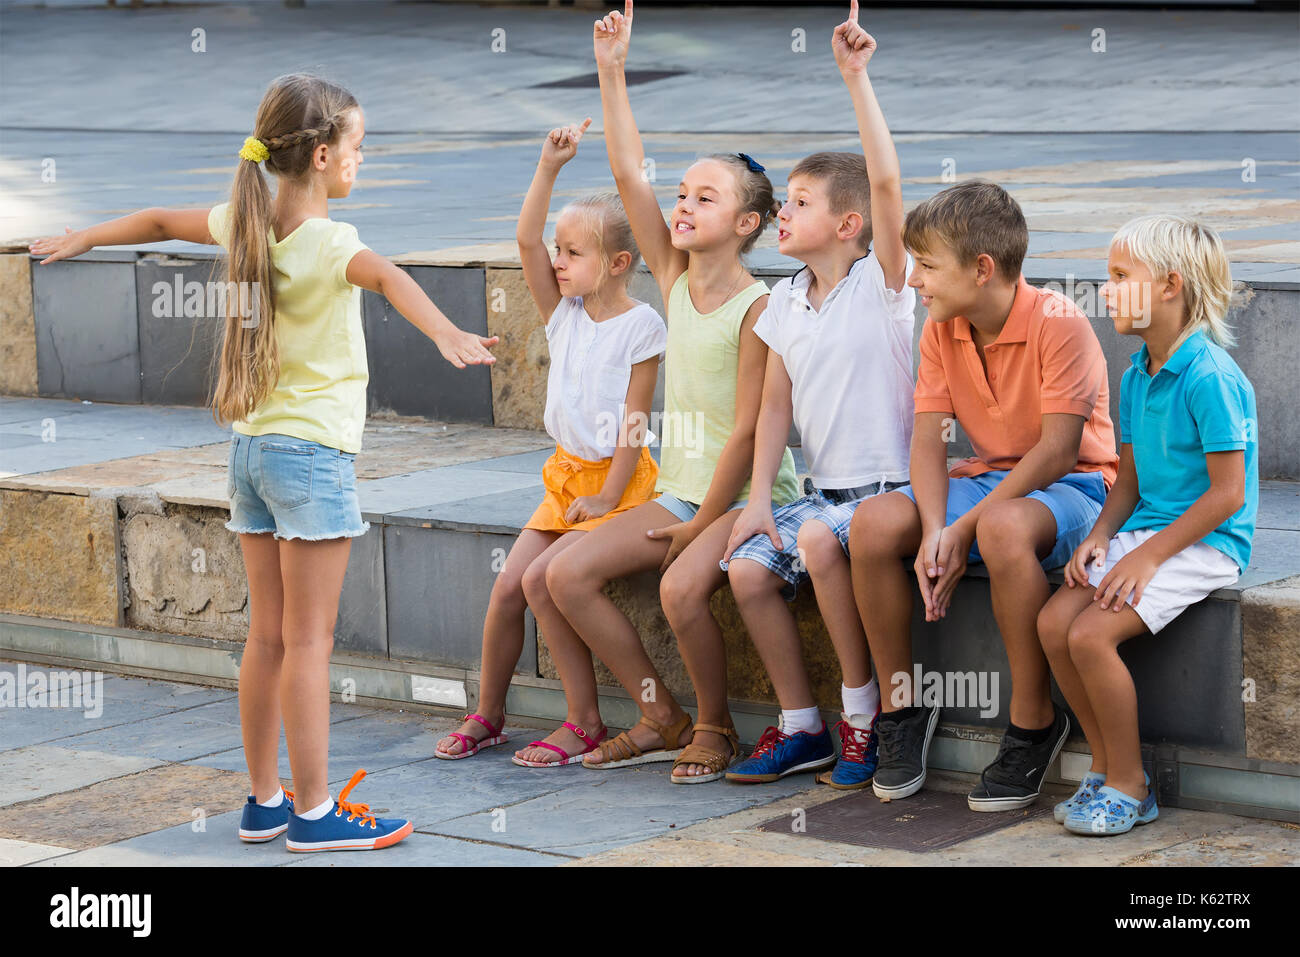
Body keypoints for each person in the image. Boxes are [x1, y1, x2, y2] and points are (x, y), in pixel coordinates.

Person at [31, 73, 497, 851]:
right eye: (357, 148)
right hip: (310, 455)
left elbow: (154, 218)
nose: (361, 162)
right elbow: (388, 275)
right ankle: (315, 814)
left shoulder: (243, 220)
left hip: (250, 453)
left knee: (269, 638)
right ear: (321, 155)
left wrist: (84, 236)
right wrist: (445, 331)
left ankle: (265, 799)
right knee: (311, 643)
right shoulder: (329, 241)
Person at [527, 0, 801, 780]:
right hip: (679, 488)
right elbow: (625, 172)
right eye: (682, 193)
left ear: (749, 224)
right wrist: (611, 71)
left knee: (683, 586)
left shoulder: (757, 307)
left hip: (745, 491)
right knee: (563, 572)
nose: (682, 205)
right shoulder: (674, 279)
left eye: (705, 198)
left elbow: (750, 434)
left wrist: (703, 521)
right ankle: (660, 712)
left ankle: (713, 727)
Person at [847, 179, 1118, 810]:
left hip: (1074, 486)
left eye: (929, 266)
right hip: (993, 478)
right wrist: (937, 526)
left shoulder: (1060, 322)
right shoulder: (944, 328)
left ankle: (1032, 721)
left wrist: (963, 531)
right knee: (875, 523)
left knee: (1000, 529)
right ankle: (902, 710)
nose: (915, 280)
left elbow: (1056, 451)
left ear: (983, 268)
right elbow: (926, 442)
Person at [720, 1, 915, 790]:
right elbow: (773, 407)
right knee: (744, 564)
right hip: (820, 494)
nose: (781, 213)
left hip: (887, 492)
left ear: (848, 223)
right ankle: (804, 725)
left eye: (797, 203)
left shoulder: (887, 285)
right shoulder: (782, 301)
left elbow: (891, 181)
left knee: (817, 543)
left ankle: (862, 714)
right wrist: (761, 495)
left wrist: (855, 77)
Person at [433, 119, 666, 766]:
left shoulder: (641, 326)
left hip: (619, 482)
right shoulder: (561, 312)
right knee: (510, 585)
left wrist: (609, 495)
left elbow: (634, 422)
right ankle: (489, 710)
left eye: (573, 252)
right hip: (565, 476)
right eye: (559, 250)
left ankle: (585, 718)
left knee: (542, 581)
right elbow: (525, 237)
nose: (557, 261)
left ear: (618, 264)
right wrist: (548, 167)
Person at [1038, 215, 1256, 835]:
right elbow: (1128, 485)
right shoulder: (1135, 374)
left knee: (1088, 636)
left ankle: (1134, 785)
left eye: (1118, 276)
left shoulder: (1210, 376)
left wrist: (1148, 556)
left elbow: (1227, 495)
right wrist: (1102, 537)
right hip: (1149, 531)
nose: (1104, 290)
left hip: (1207, 540)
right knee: (1054, 622)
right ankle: (1105, 769)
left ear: (1168, 285)